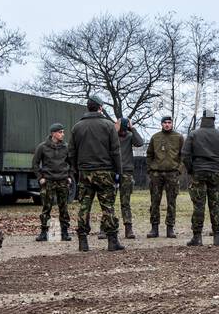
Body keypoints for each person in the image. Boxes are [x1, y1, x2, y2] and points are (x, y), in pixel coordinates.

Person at [67, 95, 124, 252]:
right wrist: (118, 172)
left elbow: (71, 152)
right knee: (108, 207)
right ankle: (112, 241)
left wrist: (77, 169)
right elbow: (115, 151)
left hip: (85, 172)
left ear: (88, 107)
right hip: (105, 172)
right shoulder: (109, 125)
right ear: (100, 108)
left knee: (84, 206)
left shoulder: (77, 127)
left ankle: (83, 241)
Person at [181, 108, 219, 247]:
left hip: (198, 172)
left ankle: (197, 237)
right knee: (215, 205)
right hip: (215, 173)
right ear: (213, 120)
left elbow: (185, 155)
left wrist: (191, 169)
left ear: (202, 119)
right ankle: (218, 237)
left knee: (199, 205)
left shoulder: (194, 134)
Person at [32, 123, 72, 242]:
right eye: (60, 132)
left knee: (64, 207)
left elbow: (72, 163)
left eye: (63, 132)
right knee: (46, 207)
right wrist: (40, 177)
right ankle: (44, 232)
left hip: (62, 181)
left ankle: (64, 232)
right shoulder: (43, 147)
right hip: (48, 181)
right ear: (53, 133)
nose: (63, 134)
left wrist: (70, 176)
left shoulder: (66, 147)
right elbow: (35, 163)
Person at [146, 115, 184, 238]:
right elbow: (149, 154)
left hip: (172, 173)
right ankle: (154, 228)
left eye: (169, 122)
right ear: (161, 124)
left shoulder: (178, 137)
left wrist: (179, 170)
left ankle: (170, 228)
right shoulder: (155, 137)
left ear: (172, 124)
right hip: (156, 174)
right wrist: (150, 170)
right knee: (154, 201)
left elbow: (183, 155)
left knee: (171, 202)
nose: (167, 124)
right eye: (165, 122)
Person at [116, 117, 144, 239]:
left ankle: (128, 229)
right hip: (113, 172)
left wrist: (133, 129)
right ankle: (105, 228)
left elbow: (140, 143)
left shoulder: (129, 136)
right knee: (107, 202)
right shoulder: (112, 136)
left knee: (125, 202)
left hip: (126, 171)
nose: (122, 131)